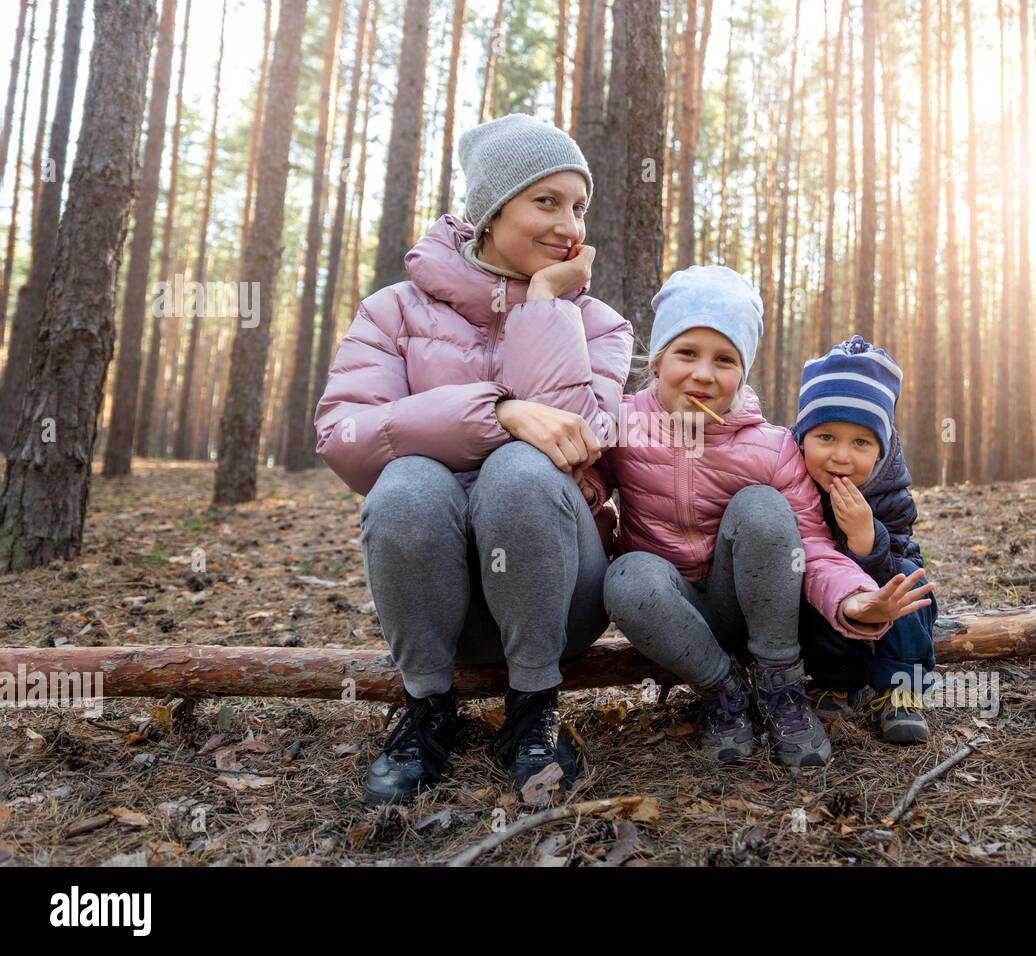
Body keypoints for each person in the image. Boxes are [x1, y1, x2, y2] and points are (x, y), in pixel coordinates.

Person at [314, 114, 633, 803]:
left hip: (556, 600)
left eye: (577, 207)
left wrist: (547, 305)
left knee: (523, 471)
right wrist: (498, 413)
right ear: (489, 213)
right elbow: (344, 434)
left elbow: (576, 439)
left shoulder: (600, 324)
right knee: (406, 483)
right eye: (544, 201)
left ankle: (534, 714)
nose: (568, 225)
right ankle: (427, 711)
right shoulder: (392, 312)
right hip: (438, 608)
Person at [593, 267, 933, 768]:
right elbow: (590, 483)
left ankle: (780, 686)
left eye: (724, 360)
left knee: (762, 508)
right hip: (670, 612)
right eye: (687, 353)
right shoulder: (622, 422)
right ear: (659, 359)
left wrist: (852, 598)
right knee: (626, 575)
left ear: (742, 372)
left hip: (749, 605)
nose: (704, 374)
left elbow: (811, 545)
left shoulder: (771, 447)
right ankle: (723, 690)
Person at [793, 335, 938, 745]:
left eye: (860, 442)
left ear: (881, 450)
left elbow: (894, 554)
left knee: (908, 579)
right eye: (826, 438)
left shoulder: (891, 496)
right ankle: (836, 680)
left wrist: (864, 536)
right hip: (827, 604)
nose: (841, 456)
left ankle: (901, 687)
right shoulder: (792, 483)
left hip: (885, 582)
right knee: (808, 584)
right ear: (802, 437)